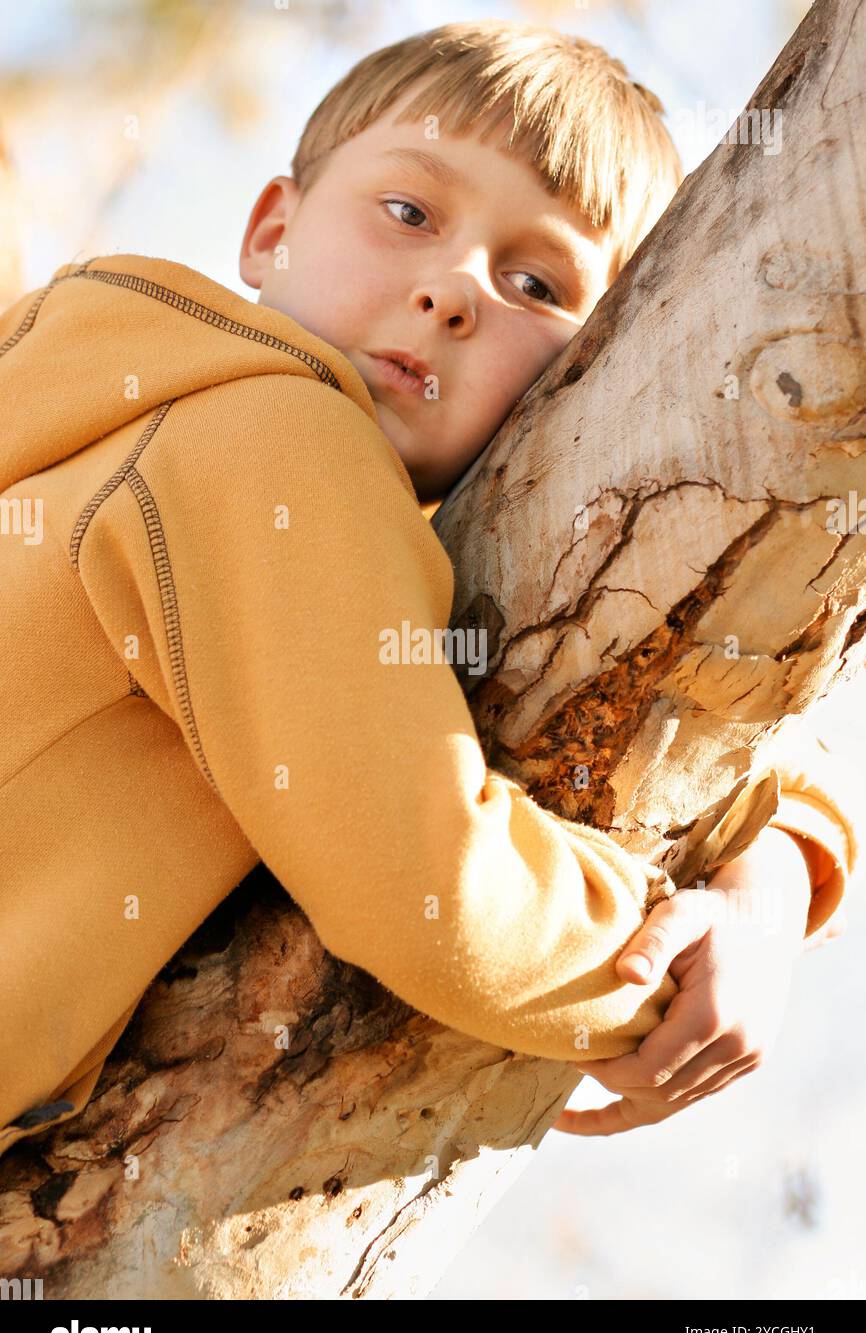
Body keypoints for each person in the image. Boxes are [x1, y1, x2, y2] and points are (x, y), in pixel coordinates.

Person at [0, 20, 861, 1158]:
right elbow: (426, 886)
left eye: (534, 282)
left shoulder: (145, 418)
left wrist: (773, 875)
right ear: (270, 229)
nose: (455, 290)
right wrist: (667, 983)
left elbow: (691, 712)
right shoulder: (275, 443)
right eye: (409, 213)